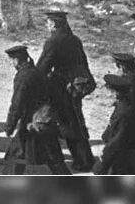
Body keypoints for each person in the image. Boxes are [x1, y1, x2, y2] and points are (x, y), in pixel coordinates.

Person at [36, 10, 96, 172]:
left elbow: (43, 66)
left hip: (60, 88)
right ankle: (85, 158)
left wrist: (34, 81)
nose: (46, 25)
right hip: (75, 87)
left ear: (54, 24)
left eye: (48, 22)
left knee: (65, 124)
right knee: (76, 122)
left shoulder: (53, 41)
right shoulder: (74, 39)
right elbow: (83, 63)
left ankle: (81, 161)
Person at [2, 44, 70, 175]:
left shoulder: (23, 77)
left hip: (31, 122)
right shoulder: (36, 71)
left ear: (16, 60)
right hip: (44, 119)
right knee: (52, 157)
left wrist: (9, 125)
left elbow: (17, 104)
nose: (11, 63)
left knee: (18, 154)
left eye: (11, 60)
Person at [93, 74, 135, 175]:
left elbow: (115, 143)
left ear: (114, 92)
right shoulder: (128, 104)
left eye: (107, 90)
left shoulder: (123, 112)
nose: (105, 94)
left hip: (127, 160)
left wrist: (101, 166)